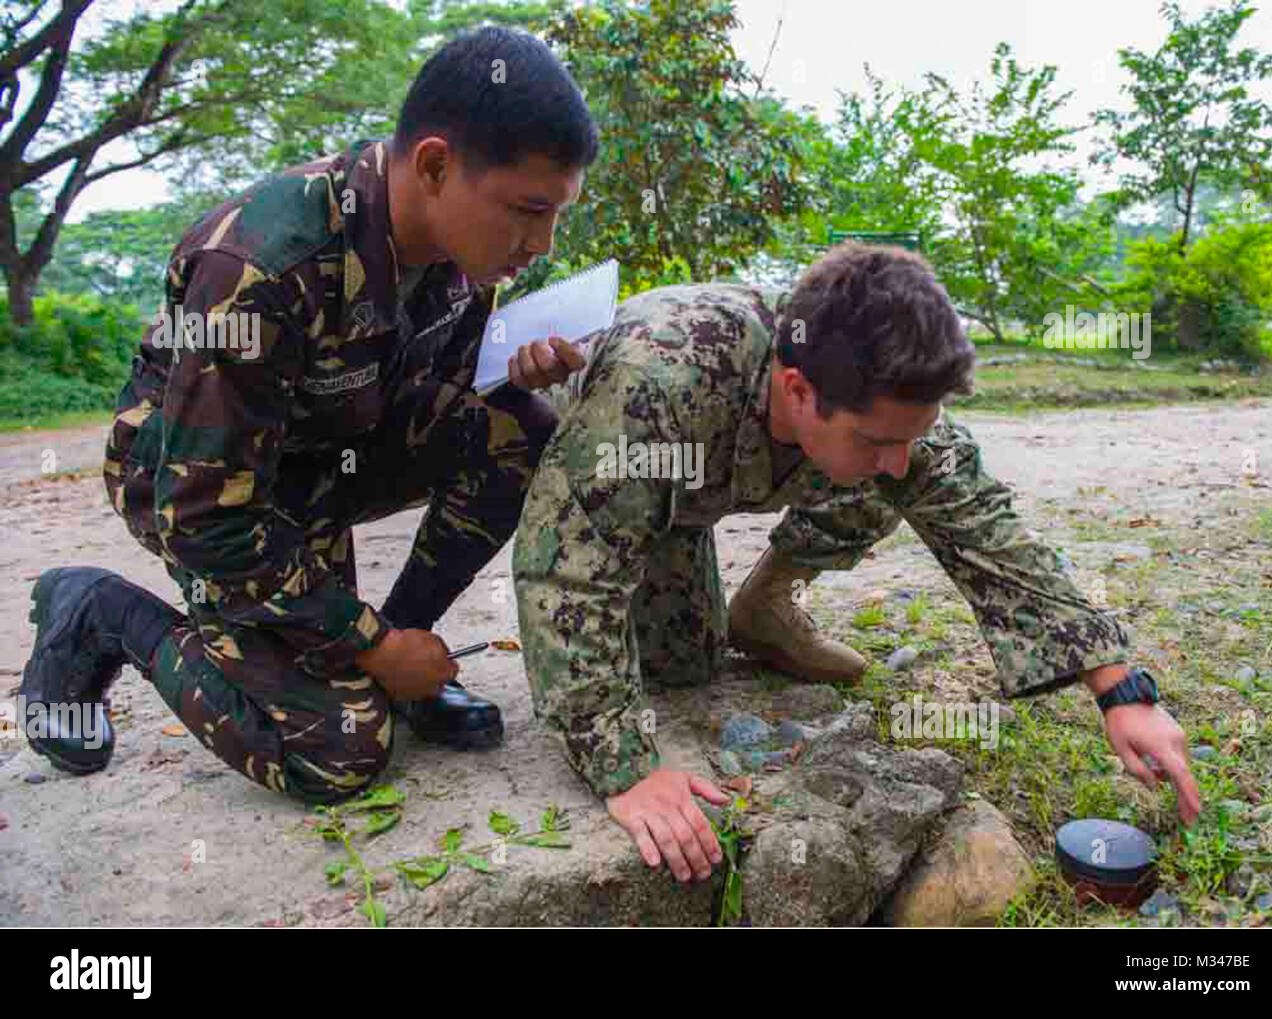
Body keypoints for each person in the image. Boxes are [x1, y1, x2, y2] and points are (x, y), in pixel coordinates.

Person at [19, 27, 591, 804]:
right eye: (529, 210)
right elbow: (203, 516)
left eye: (557, 214)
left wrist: (506, 375)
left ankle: (398, 665)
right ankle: (102, 610)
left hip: (321, 459)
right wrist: (372, 643)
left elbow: (432, 390)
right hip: (201, 496)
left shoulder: (462, 256)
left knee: (519, 425)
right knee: (338, 752)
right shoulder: (260, 267)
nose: (542, 242)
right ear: (433, 165)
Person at [513, 243, 1202, 884]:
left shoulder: (877, 393)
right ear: (799, 390)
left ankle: (767, 607)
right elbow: (570, 563)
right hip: (633, 490)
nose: (900, 459)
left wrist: (1118, 687)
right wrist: (625, 768)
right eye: (877, 437)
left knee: (901, 480)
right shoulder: (655, 378)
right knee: (669, 668)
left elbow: (987, 529)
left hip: (726, 462)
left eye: (912, 434)